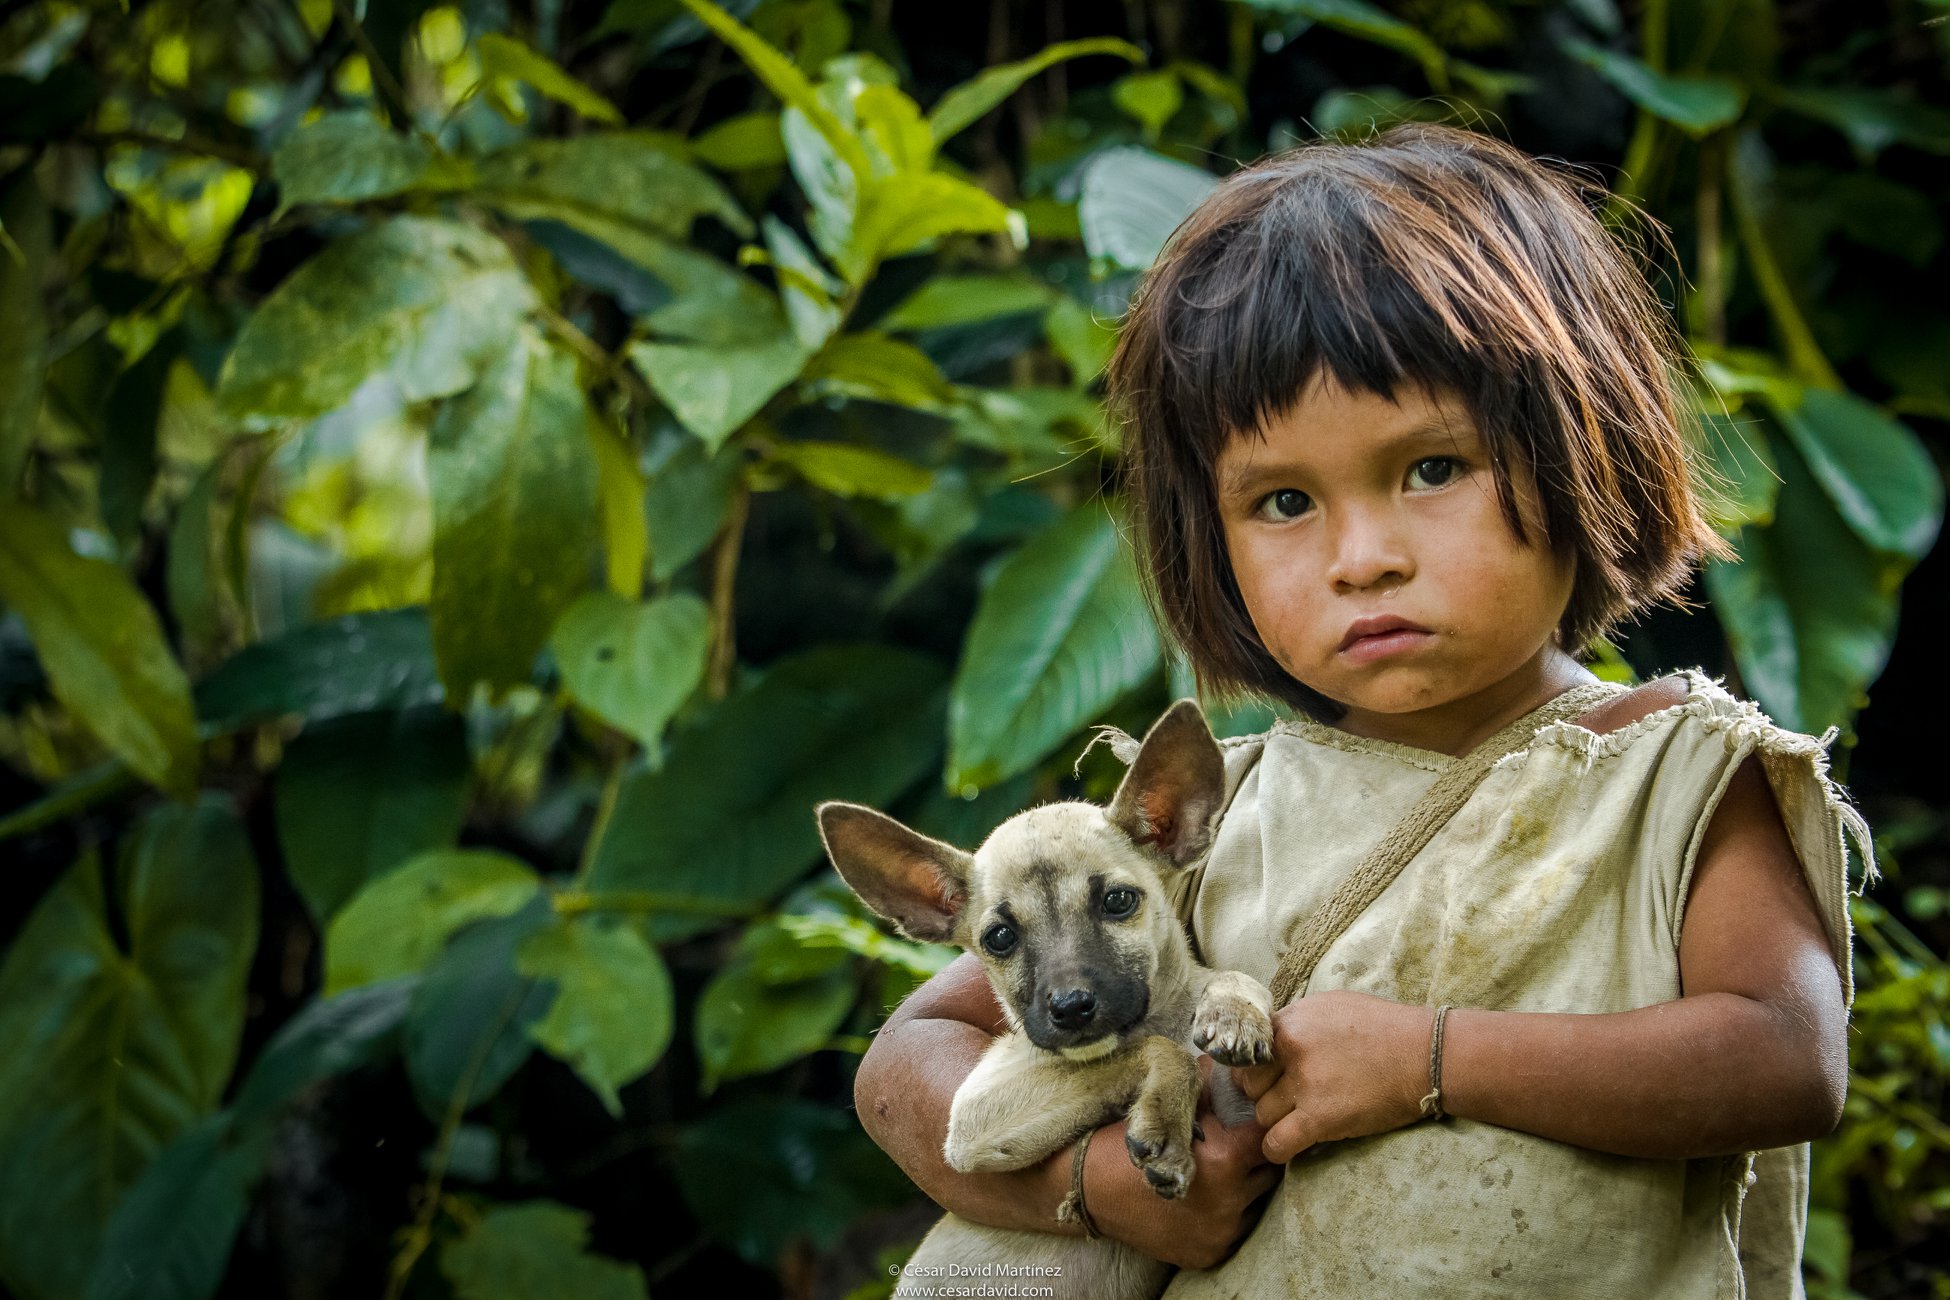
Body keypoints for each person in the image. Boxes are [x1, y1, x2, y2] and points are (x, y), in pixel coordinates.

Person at [852, 121, 1874, 1297]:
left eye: (1432, 469)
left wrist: (1432, 1061)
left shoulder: (1671, 776)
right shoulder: (1193, 829)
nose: (1364, 557)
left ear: (1584, 447)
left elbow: (1787, 1058)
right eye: (1284, 500)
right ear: (1208, 541)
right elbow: (906, 1064)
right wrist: (1098, 1192)